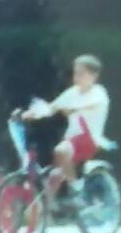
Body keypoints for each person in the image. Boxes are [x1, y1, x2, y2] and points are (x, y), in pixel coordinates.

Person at [23, 55, 110, 201]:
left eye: (81, 73)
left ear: (94, 76)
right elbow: (52, 107)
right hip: (72, 140)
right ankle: (44, 212)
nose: (77, 77)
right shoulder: (73, 92)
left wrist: (74, 108)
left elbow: (92, 105)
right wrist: (30, 113)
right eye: (76, 73)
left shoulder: (98, 92)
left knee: (60, 151)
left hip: (89, 139)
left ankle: (77, 188)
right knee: (54, 175)